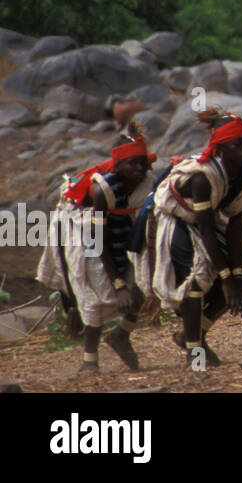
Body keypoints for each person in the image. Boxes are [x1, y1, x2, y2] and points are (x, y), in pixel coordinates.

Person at [36, 124, 154, 372]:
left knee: (143, 284)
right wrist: (118, 285)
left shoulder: (147, 183)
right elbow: (98, 240)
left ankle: (121, 336)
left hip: (122, 226)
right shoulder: (103, 188)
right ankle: (90, 359)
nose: (140, 169)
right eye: (133, 164)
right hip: (84, 228)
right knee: (94, 288)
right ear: (118, 166)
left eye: (143, 162)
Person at [150, 108, 242, 366]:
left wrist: (236, 275)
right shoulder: (203, 177)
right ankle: (194, 350)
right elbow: (206, 230)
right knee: (198, 278)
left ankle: (196, 333)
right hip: (178, 218)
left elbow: (235, 226)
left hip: (207, 221)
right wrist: (226, 278)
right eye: (238, 144)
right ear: (221, 149)